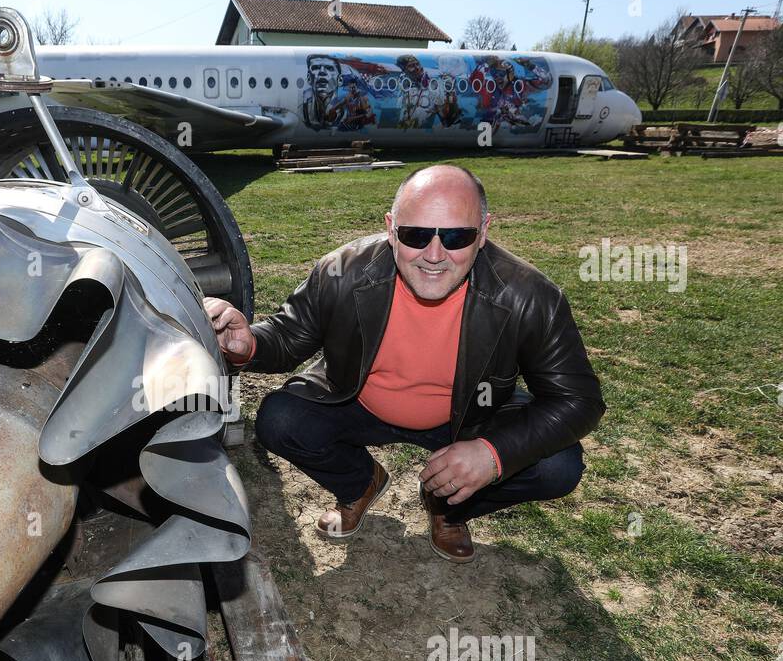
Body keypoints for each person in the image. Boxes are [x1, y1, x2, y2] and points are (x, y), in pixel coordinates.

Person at [204, 164, 604, 563]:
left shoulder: (530, 296)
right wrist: (248, 341)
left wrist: (492, 453)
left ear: (483, 233)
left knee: (558, 466)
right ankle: (360, 484)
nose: (433, 256)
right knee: (280, 420)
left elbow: (578, 400)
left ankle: (449, 508)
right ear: (391, 229)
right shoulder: (342, 270)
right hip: (358, 401)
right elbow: (292, 336)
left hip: (470, 418)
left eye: (455, 237)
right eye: (415, 235)